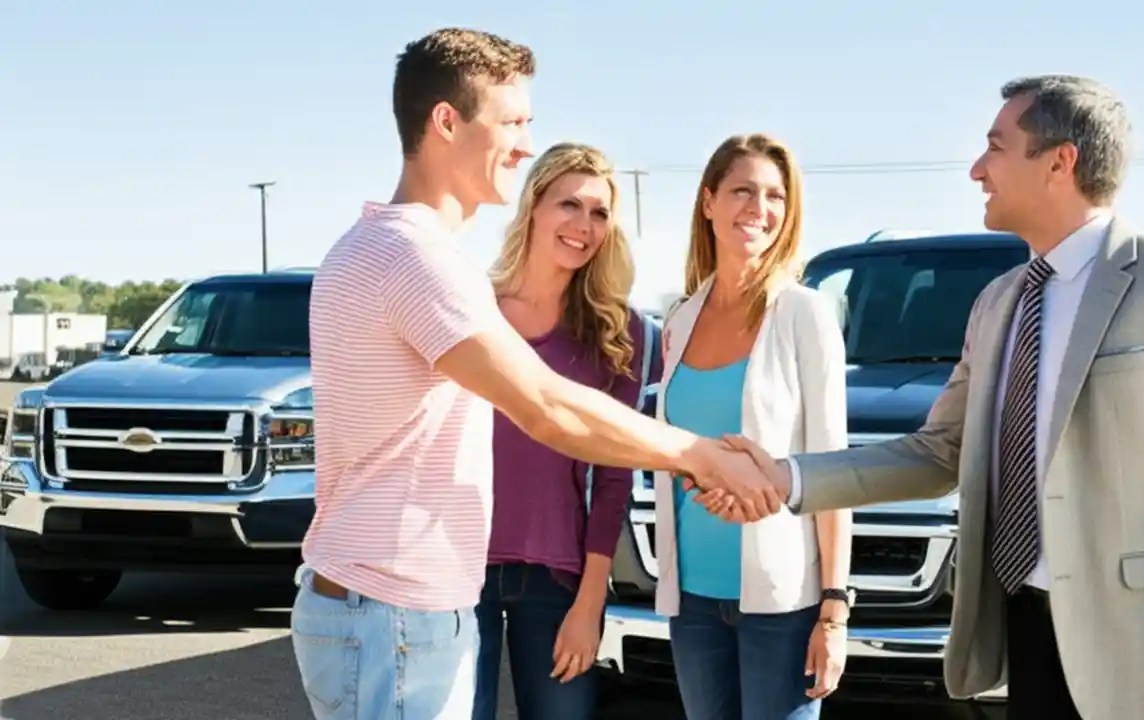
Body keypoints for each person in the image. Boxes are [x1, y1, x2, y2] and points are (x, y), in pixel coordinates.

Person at [710, 75, 1144, 719]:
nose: (978, 169)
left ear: (1059, 162)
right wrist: (785, 478)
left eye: (996, 148)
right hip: (1024, 627)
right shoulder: (999, 302)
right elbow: (939, 450)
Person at [291, 28, 777, 720]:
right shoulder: (419, 261)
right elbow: (546, 405)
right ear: (447, 122)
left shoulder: (369, 246)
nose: (523, 145)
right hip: (396, 615)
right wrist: (701, 456)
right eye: (512, 123)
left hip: (377, 605)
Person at [653, 133, 852, 720]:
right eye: (742, 191)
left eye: (774, 196)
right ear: (708, 201)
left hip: (783, 603)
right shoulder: (680, 319)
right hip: (691, 599)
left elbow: (832, 470)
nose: (758, 209)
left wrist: (834, 611)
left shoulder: (803, 313)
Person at [471, 142, 663, 720]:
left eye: (600, 213)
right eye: (569, 205)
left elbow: (614, 478)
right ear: (533, 205)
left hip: (557, 580)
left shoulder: (619, 333)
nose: (584, 226)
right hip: (455, 570)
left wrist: (589, 605)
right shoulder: (471, 309)